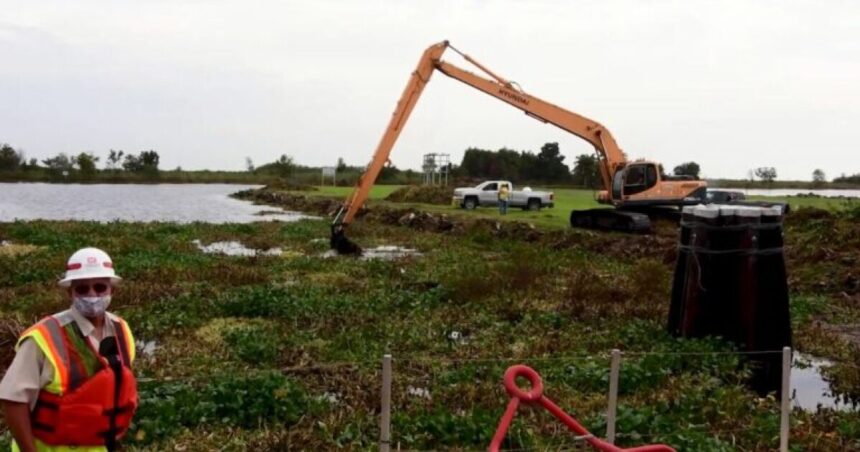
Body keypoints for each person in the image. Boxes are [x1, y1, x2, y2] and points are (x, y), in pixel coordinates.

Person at [0, 248, 137, 452]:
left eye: (100, 287)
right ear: (70, 293)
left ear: (112, 291)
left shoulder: (122, 330)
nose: (92, 295)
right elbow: (13, 401)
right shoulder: (42, 337)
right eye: (82, 289)